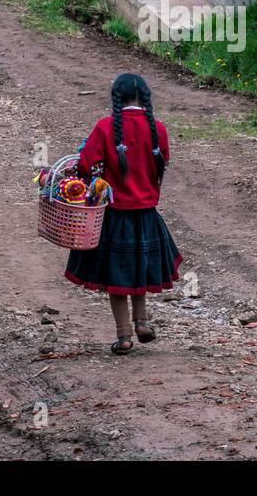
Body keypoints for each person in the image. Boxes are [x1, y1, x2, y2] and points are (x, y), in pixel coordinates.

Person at [64, 73, 182, 355]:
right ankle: (142, 322)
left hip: (114, 216)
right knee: (138, 272)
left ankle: (124, 336)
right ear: (145, 97)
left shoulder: (106, 128)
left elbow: (86, 164)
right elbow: (162, 162)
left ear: (116, 98)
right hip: (147, 216)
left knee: (116, 278)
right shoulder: (158, 129)